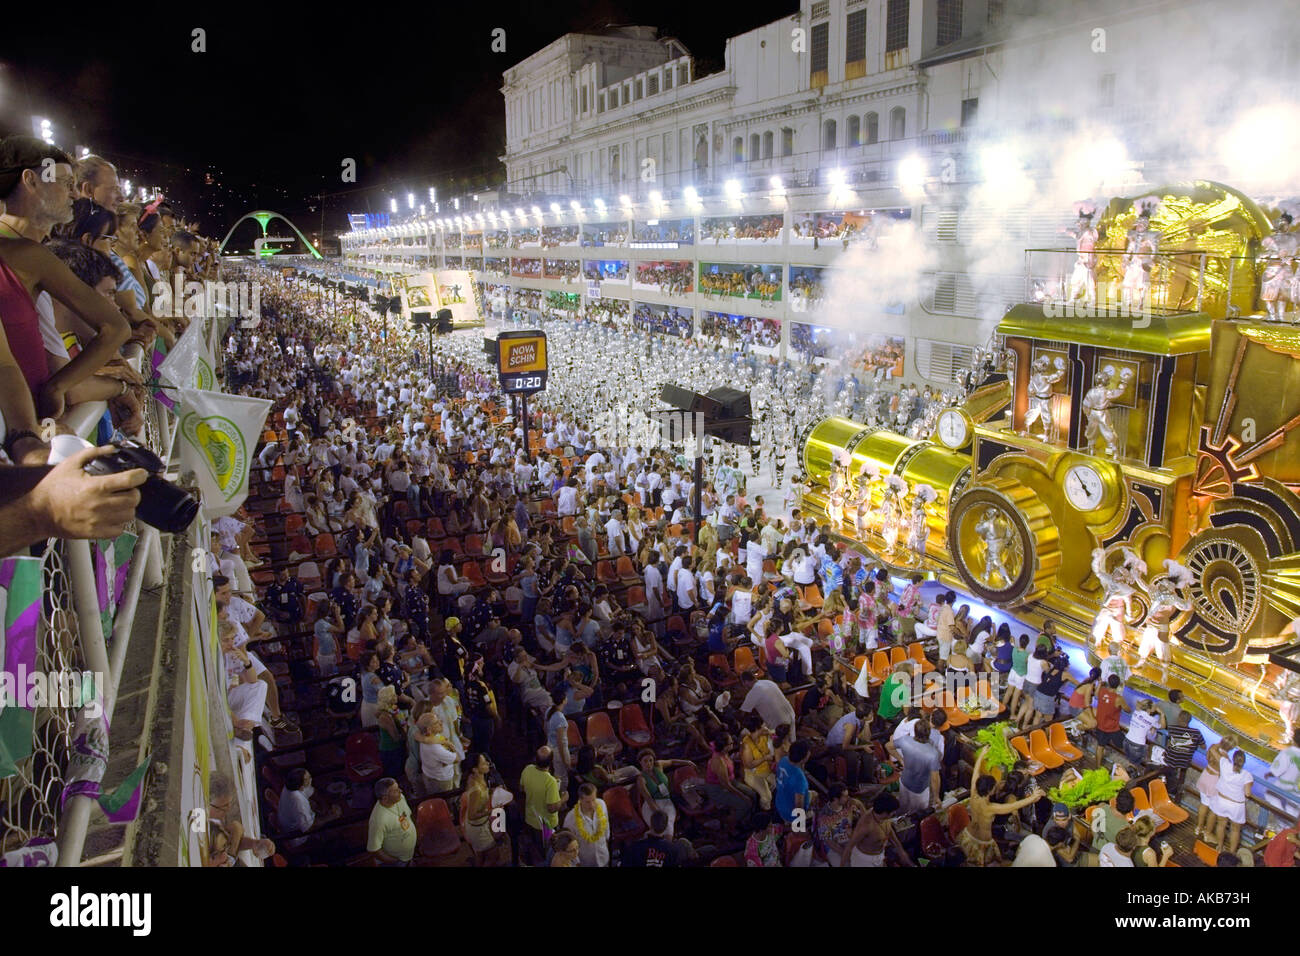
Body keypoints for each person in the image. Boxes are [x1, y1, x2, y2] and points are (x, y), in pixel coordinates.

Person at [963, 746, 1046, 865]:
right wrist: (1033, 798)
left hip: (969, 834)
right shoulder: (990, 807)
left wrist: (982, 755)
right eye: (994, 786)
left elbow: (975, 773)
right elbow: (1013, 806)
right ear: (990, 791)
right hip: (982, 842)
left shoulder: (974, 793)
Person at [520, 747, 564, 866]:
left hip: (530, 819)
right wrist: (564, 799)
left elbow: (522, 789)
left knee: (537, 850)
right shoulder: (550, 781)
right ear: (550, 762)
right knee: (551, 853)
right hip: (547, 825)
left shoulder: (527, 769)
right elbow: (552, 808)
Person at [1211, 748, 1253, 854]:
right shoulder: (1247, 775)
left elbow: (1212, 749)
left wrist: (1224, 753)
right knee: (1235, 830)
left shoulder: (1225, 764)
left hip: (1222, 801)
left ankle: (1220, 847)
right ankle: (1231, 853)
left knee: (1221, 825)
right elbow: (1247, 793)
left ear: (1233, 758)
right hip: (1236, 806)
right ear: (1243, 762)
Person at [366, 778, 417, 866]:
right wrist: (393, 861)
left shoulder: (401, 798)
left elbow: (408, 816)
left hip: (408, 855)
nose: (400, 791)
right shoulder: (378, 820)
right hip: (397, 862)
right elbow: (374, 849)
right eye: (396, 791)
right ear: (385, 798)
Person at [563, 783, 611, 867]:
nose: (592, 805)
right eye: (587, 802)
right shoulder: (570, 819)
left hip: (603, 857)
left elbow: (606, 826)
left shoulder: (602, 804)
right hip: (586, 862)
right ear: (580, 800)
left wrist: (606, 842)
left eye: (593, 800)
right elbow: (569, 846)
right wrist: (577, 863)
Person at [774, 739, 812, 825]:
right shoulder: (799, 779)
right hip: (790, 815)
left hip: (780, 803)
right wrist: (799, 825)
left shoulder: (783, 760)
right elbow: (798, 806)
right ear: (804, 758)